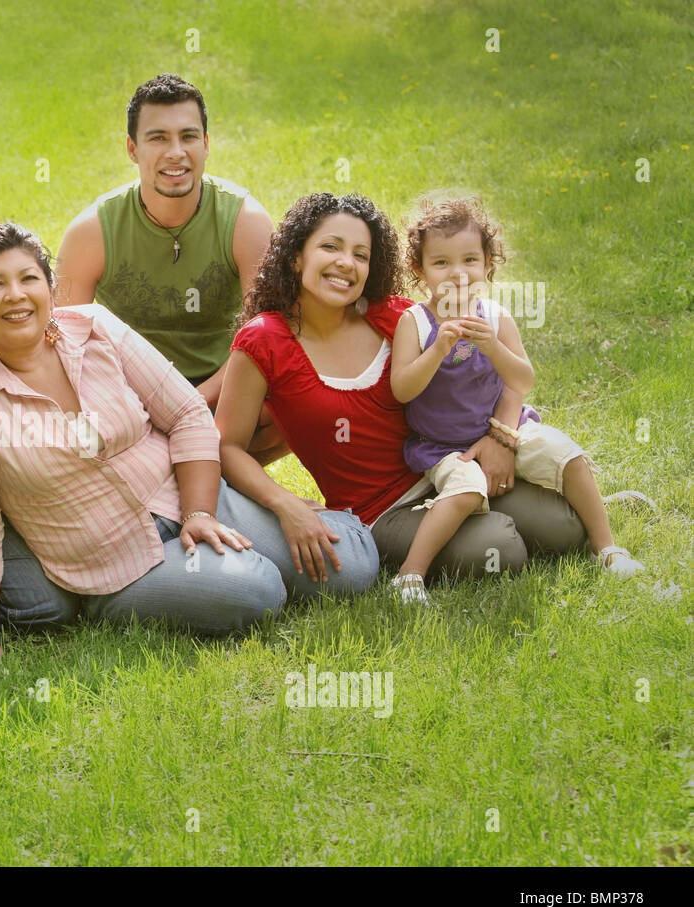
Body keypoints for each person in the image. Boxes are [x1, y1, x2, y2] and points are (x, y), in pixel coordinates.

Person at [0, 221, 294, 663]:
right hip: (111, 565)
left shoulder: (95, 327)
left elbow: (187, 413)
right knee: (259, 589)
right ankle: (117, 605)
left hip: (183, 495)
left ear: (50, 288)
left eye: (28, 278)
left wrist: (199, 512)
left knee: (346, 568)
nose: (15, 295)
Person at [216, 193, 586, 589]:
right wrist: (284, 503)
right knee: (499, 547)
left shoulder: (395, 317)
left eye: (361, 254)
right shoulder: (263, 341)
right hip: (382, 510)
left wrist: (501, 436)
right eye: (330, 247)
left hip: (450, 468)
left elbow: (487, 374)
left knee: (563, 529)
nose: (346, 262)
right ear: (296, 257)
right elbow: (227, 446)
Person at [387, 194, 643, 601]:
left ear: (488, 263)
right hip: (447, 449)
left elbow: (523, 378)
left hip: (507, 427)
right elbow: (402, 389)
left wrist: (494, 349)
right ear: (420, 269)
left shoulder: (495, 317)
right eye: (441, 263)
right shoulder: (414, 322)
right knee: (466, 490)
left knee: (567, 455)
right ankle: (410, 576)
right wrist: (437, 349)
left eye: (470, 260)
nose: (458, 273)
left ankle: (607, 547)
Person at [54, 74, 274, 410]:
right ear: (132, 149)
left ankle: (222, 453)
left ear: (206, 144)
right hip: (129, 396)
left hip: (226, 389)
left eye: (188, 137)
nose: (176, 152)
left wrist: (192, 403)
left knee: (289, 382)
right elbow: (65, 345)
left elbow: (265, 336)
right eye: (158, 138)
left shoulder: (247, 222)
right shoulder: (91, 232)